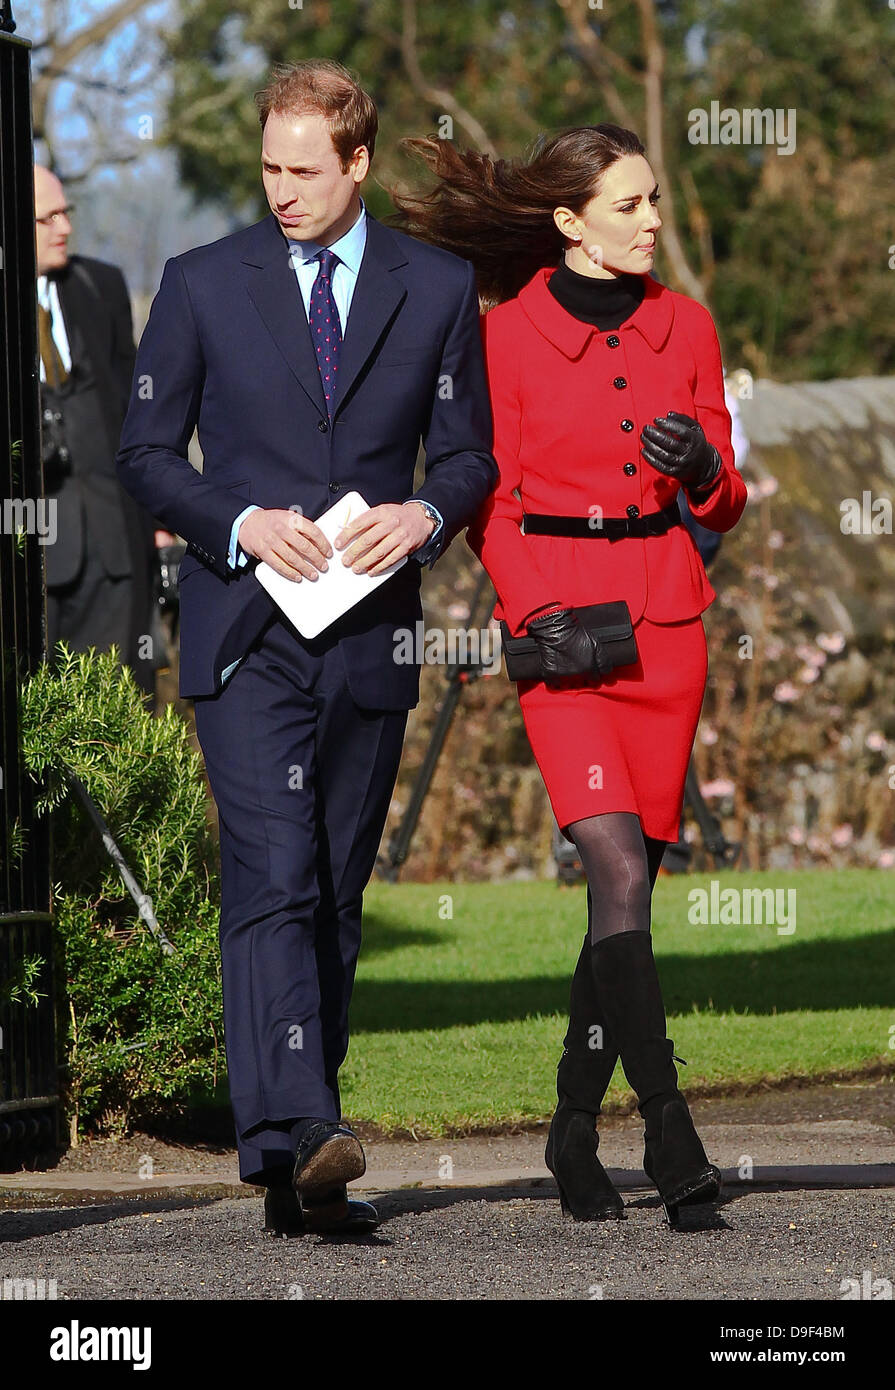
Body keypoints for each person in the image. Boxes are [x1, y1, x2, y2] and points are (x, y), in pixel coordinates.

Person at [116, 60, 496, 1237]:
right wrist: (235, 520)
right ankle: (306, 1119)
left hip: (370, 632)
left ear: (358, 164)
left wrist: (426, 515)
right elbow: (144, 452)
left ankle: (290, 1157)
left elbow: (472, 455)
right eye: (268, 168)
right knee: (274, 868)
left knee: (329, 888)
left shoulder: (435, 288)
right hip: (244, 632)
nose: (279, 190)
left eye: (303, 170)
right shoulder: (198, 283)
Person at [391, 124, 747, 1226]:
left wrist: (703, 476)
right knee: (613, 867)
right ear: (570, 220)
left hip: (666, 628)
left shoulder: (687, 322)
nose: (651, 220)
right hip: (559, 630)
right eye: (632, 203)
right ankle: (672, 1128)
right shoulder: (498, 339)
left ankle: (570, 1130)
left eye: (650, 202)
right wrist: (534, 606)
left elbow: (726, 498)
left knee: (622, 889)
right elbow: (482, 492)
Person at [34, 165, 165, 704]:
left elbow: (141, 414)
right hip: (34, 562)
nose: (64, 228)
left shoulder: (100, 286)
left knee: (120, 715)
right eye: (47, 218)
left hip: (116, 548)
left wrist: (161, 523)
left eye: (67, 212)